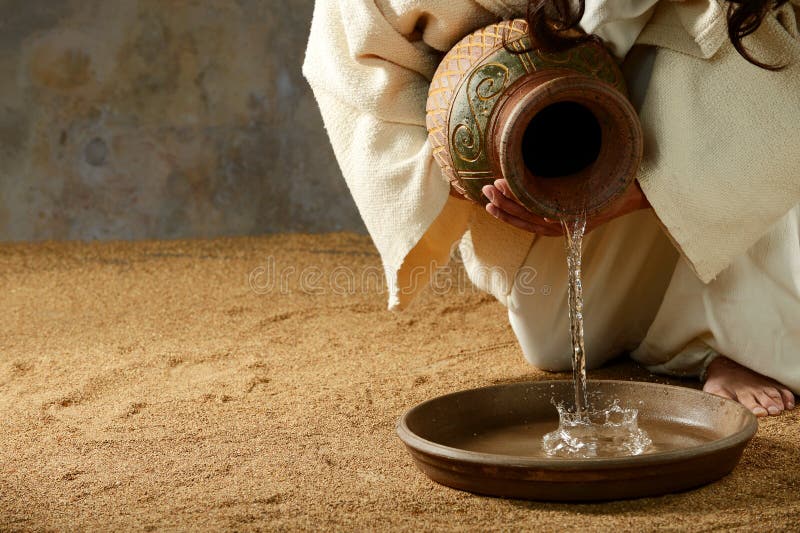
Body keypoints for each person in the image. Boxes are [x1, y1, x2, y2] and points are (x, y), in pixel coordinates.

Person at [303, 0, 800, 416]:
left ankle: (728, 337)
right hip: (541, 112)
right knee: (560, 341)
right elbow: (350, 45)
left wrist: (656, 190)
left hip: (714, 81)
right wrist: (461, 157)